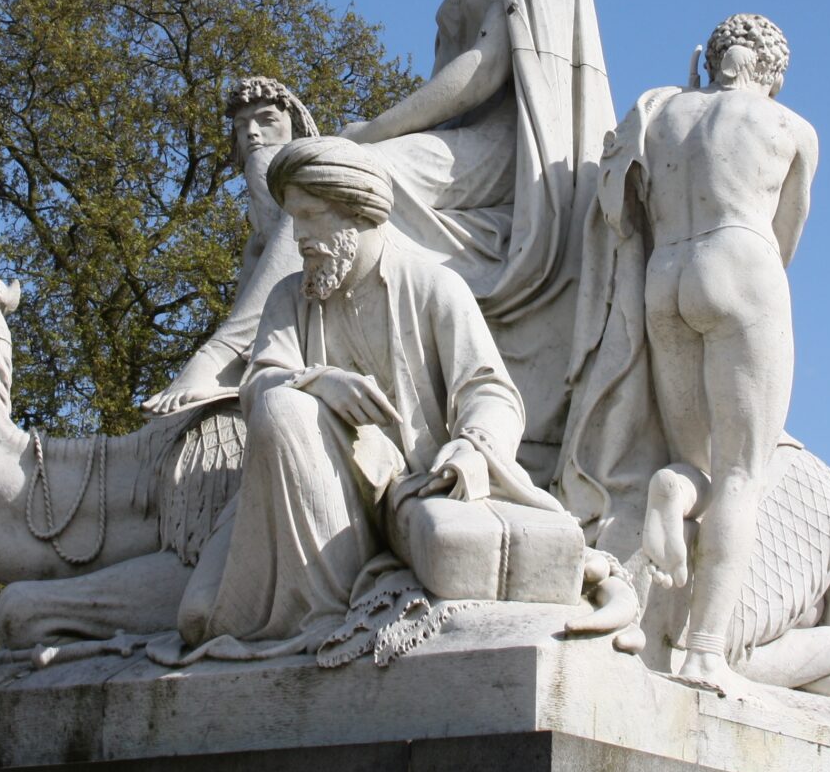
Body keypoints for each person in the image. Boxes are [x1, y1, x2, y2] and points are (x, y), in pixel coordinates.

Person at [177, 137, 553, 651]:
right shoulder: (292, 296)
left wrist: (473, 446)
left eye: (311, 217)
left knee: (286, 408)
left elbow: (491, 391)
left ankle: (328, 614)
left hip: (408, 488)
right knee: (199, 618)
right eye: (294, 219)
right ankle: (312, 608)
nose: (301, 238)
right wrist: (319, 380)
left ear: (357, 213)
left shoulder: (433, 287)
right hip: (302, 492)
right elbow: (259, 381)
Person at [559, 14, 822, 694]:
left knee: (695, 462)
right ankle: (706, 651)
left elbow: (624, 207)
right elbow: (784, 239)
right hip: (741, 262)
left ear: (710, 60)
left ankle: (672, 487)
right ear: (771, 66)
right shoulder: (791, 127)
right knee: (743, 473)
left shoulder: (661, 109)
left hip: (665, 278)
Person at [352, 0, 613, 479]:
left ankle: (242, 363)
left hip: (508, 156)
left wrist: (369, 133)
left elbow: (482, 72)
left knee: (350, 179)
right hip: (469, 145)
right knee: (329, 178)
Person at [143, 77, 317, 414]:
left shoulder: (285, 171)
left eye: (266, 120)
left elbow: (297, 240)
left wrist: (217, 353)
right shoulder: (257, 231)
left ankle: (215, 356)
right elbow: (250, 301)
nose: (252, 132)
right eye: (242, 126)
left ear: (294, 126)